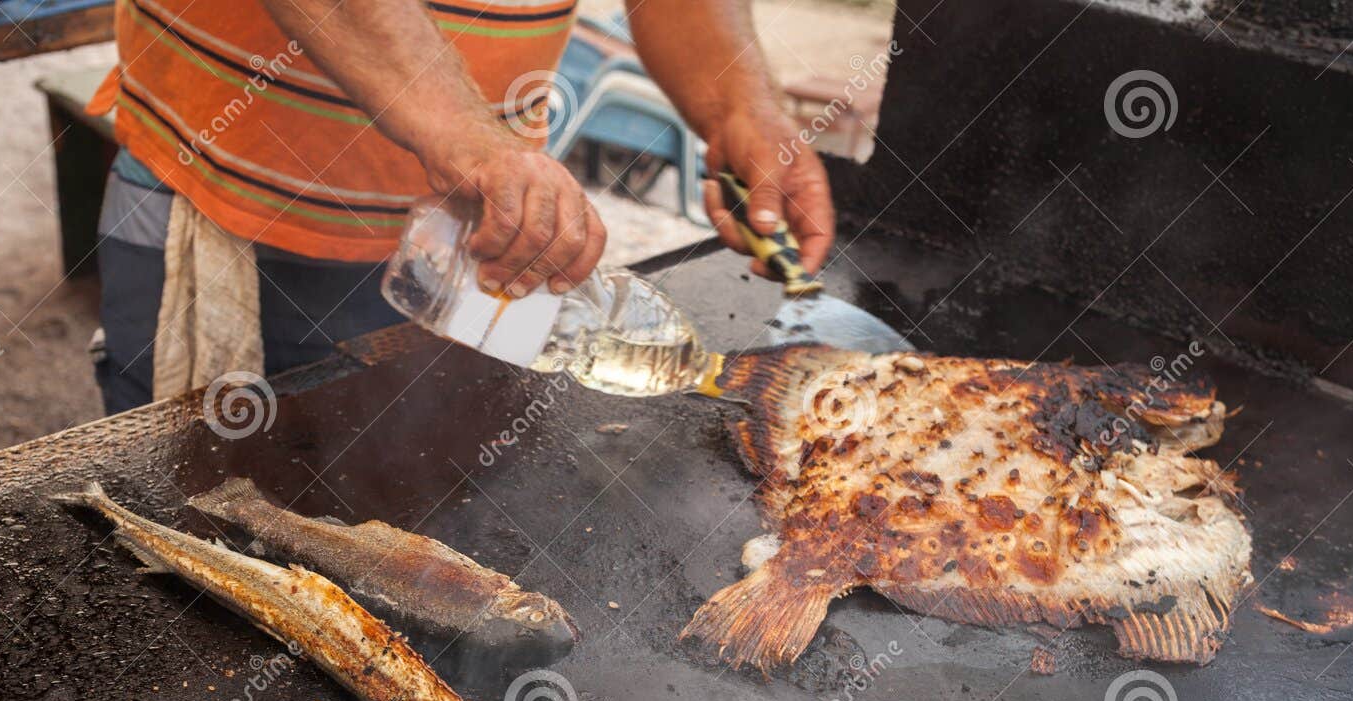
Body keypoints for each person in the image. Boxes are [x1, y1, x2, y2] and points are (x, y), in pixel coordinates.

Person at [87, 0, 835, 413]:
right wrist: (467, 136)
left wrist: (742, 106)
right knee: (195, 535)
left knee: (436, 526)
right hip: (234, 217)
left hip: (478, 254)